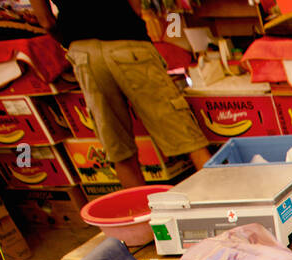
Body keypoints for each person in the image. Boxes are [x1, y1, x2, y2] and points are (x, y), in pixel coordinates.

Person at [29, 0, 211, 188]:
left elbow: (46, 21)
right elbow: (136, 7)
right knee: (184, 132)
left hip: (83, 52)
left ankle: (139, 214)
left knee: (118, 147)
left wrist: (72, 34)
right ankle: (220, 203)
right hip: (128, 42)